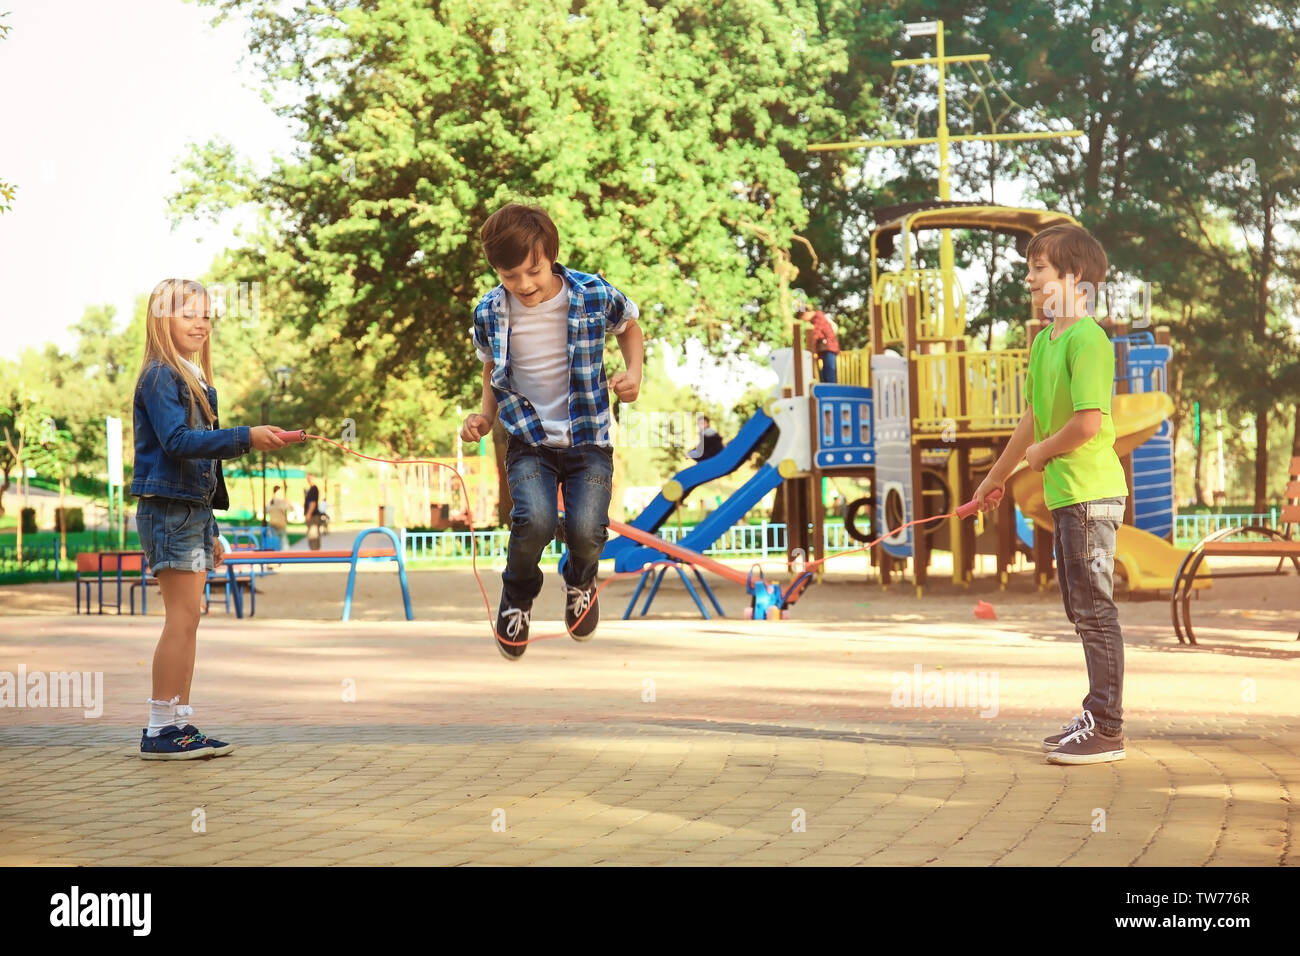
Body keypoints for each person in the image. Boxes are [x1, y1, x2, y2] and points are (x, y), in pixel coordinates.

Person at [972, 224, 1130, 766]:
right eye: (1031, 269)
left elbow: (1087, 424)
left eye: (1039, 269)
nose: (1030, 278)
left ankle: (1107, 729)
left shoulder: (1089, 340)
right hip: (1069, 496)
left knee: (1094, 612)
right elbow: (1034, 417)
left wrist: (1040, 456)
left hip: (1091, 493)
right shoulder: (1045, 341)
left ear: (1073, 276)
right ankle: (1096, 716)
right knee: (1081, 609)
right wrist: (996, 477)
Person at [460, 203, 643, 660]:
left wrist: (634, 372)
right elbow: (490, 368)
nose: (523, 285)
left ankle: (580, 580)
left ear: (551, 255)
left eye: (533, 271)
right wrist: (484, 417)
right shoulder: (490, 310)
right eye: (509, 276)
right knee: (533, 522)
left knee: (586, 530)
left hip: (589, 437)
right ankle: (518, 597)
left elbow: (630, 325)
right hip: (528, 440)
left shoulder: (593, 293)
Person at [131, 278, 288, 759]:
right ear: (163, 319)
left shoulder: (193, 376)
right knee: (181, 617)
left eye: (207, 314)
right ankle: (159, 728)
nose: (201, 323)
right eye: (188, 313)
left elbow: (200, 467)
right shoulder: (161, 375)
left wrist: (212, 527)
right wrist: (247, 437)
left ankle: (180, 722)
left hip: (191, 513)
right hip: (168, 511)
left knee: (191, 618)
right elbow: (177, 443)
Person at [801, 308, 840, 383]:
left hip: (829, 347)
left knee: (829, 372)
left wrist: (810, 349)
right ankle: (828, 390)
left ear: (806, 313)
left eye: (803, 317)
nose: (804, 320)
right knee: (825, 372)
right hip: (825, 348)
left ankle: (832, 391)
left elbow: (815, 334)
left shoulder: (818, 317)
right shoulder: (815, 319)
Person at [265, 484, 289, 550]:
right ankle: (284, 553)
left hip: (272, 522)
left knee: (274, 537)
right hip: (280, 522)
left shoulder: (271, 501)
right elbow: (287, 507)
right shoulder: (280, 500)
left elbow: (266, 510)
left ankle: (275, 550)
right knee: (283, 538)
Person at [303, 474, 321, 550]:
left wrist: (309, 514)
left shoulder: (314, 489)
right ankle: (313, 550)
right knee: (311, 534)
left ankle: (315, 551)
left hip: (313, 516)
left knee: (313, 535)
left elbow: (313, 503)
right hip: (311, 514)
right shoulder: (310, 489)